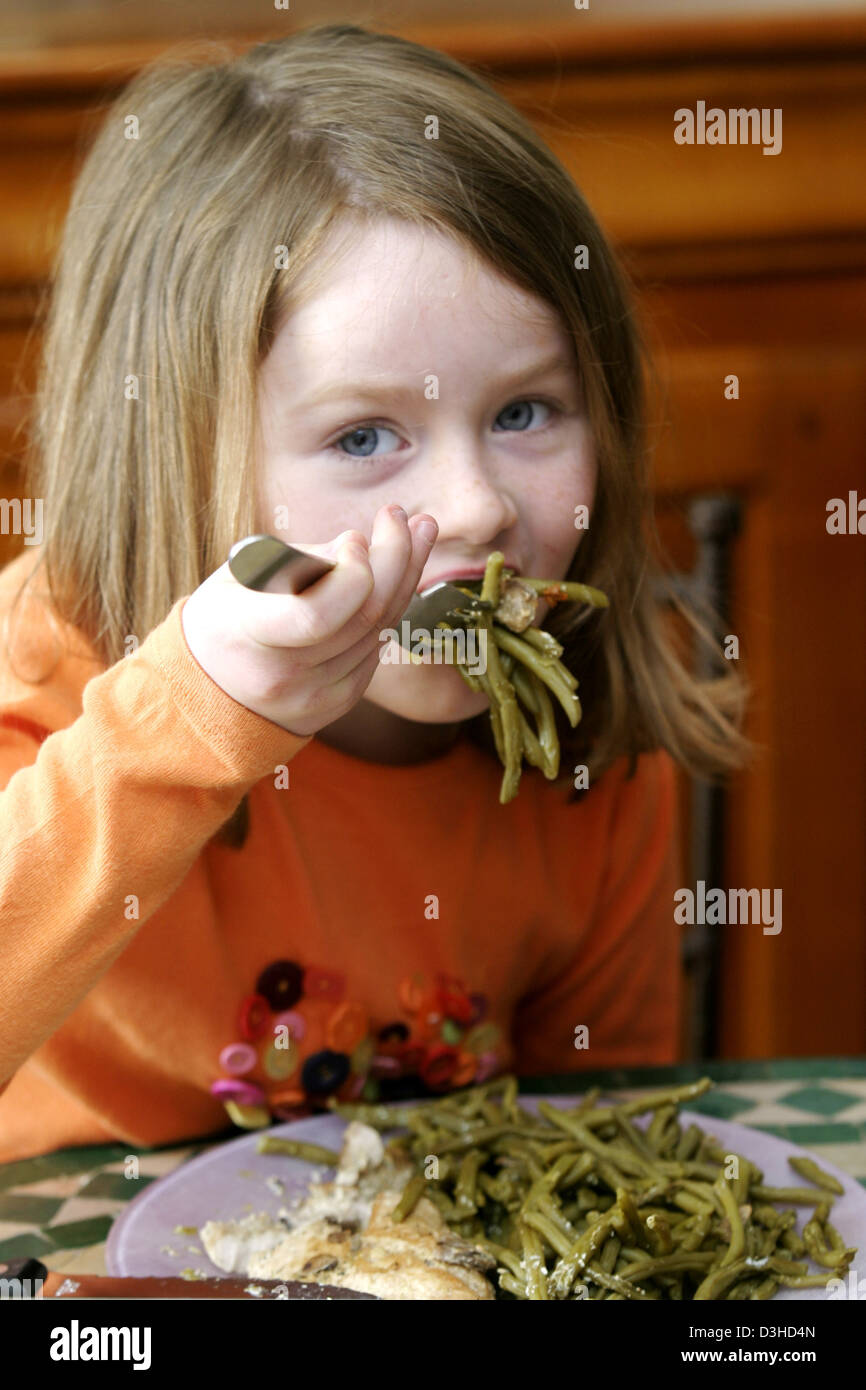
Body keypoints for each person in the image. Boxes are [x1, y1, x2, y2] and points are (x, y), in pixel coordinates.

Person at [0, 24, 746, 1163]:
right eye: (362, 435)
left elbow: (597, 1141)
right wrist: (193, 713)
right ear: (179, 455)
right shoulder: (49, 669)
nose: (476, 506)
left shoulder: (580, 729)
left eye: (522, 412)